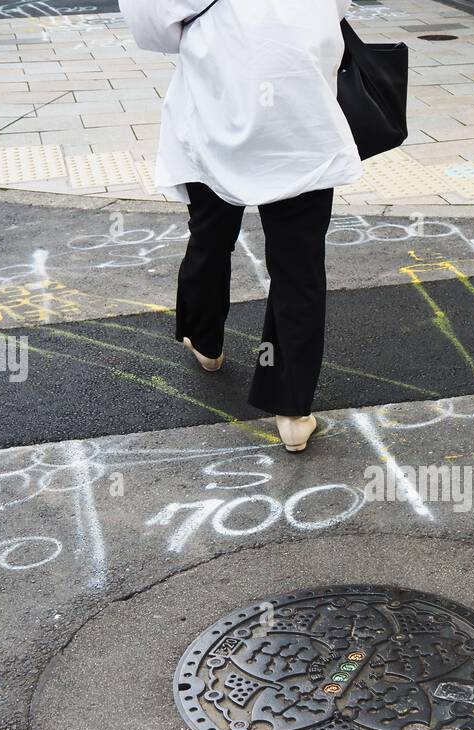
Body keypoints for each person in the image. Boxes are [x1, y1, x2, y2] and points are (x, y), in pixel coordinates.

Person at [121, 0, 362, 453]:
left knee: (211, 231)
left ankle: (207, 340)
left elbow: (151, 25)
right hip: (300, 107)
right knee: (298, 261)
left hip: (218, 101)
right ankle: (291, 409)